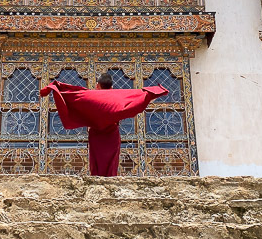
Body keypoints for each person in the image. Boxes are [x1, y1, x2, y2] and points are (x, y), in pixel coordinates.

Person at [40, 72, 168, 176]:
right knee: (111, 163)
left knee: (96, 163)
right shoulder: (118, 97)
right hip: (112, 135)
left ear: (97, 85)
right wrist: (154, 92)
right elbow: (137, 98)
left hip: (96, 135)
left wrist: (55, 87)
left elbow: (72, 94)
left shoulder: (90, 97)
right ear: (112, 87)